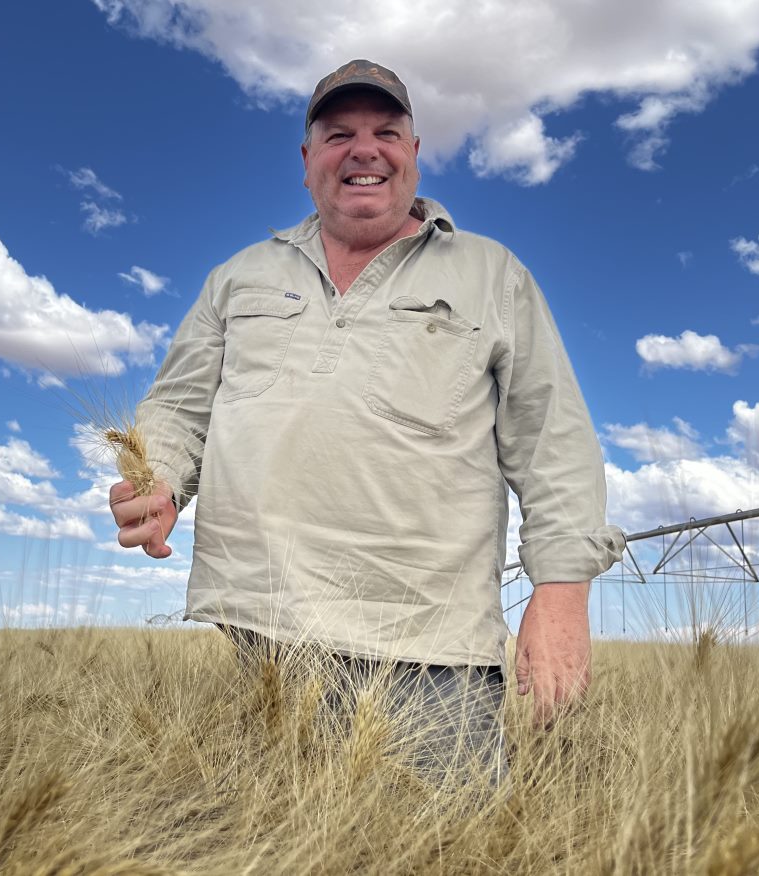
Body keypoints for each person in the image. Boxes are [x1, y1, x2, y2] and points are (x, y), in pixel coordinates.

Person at [109, 59, 625, 766]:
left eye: (387, 131)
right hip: (258, 631)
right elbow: (178, 406)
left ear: (413, 155)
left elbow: (553, 441)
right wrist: (159, 475)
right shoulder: (239, 277)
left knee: (442, 852)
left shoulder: (491, 273)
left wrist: (562, 593)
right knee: (259, 837)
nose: (364, 149)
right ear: (307, 159)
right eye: (338, 133)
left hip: (429, 646)